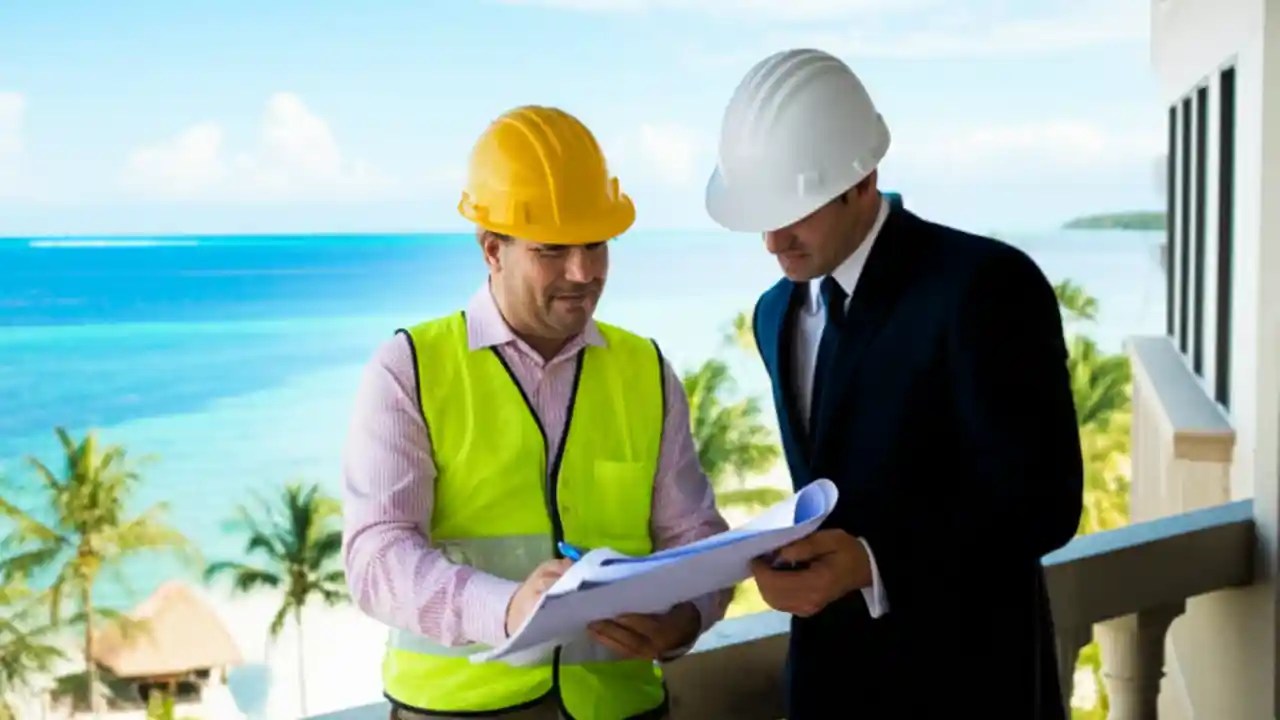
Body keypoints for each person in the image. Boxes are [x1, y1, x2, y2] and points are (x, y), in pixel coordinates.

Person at [703, 49, 1084, 718]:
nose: (773, 241)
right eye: (760, 215)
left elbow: (1044, 503)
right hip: (826, 689)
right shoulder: (773, 314)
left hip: (969, 687)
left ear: (863, 176)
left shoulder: (985, 286)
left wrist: (875, 562)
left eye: (795, 210)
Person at [342, 104, 731, 720]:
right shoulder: (409, 370)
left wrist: (686, 619)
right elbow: (375, 556)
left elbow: (696, 537)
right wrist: (505, 609)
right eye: (553, 249)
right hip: (458, 712)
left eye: (596, 244)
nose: (584, 272)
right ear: (492, 249)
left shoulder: (646, 370)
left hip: (624, 709)